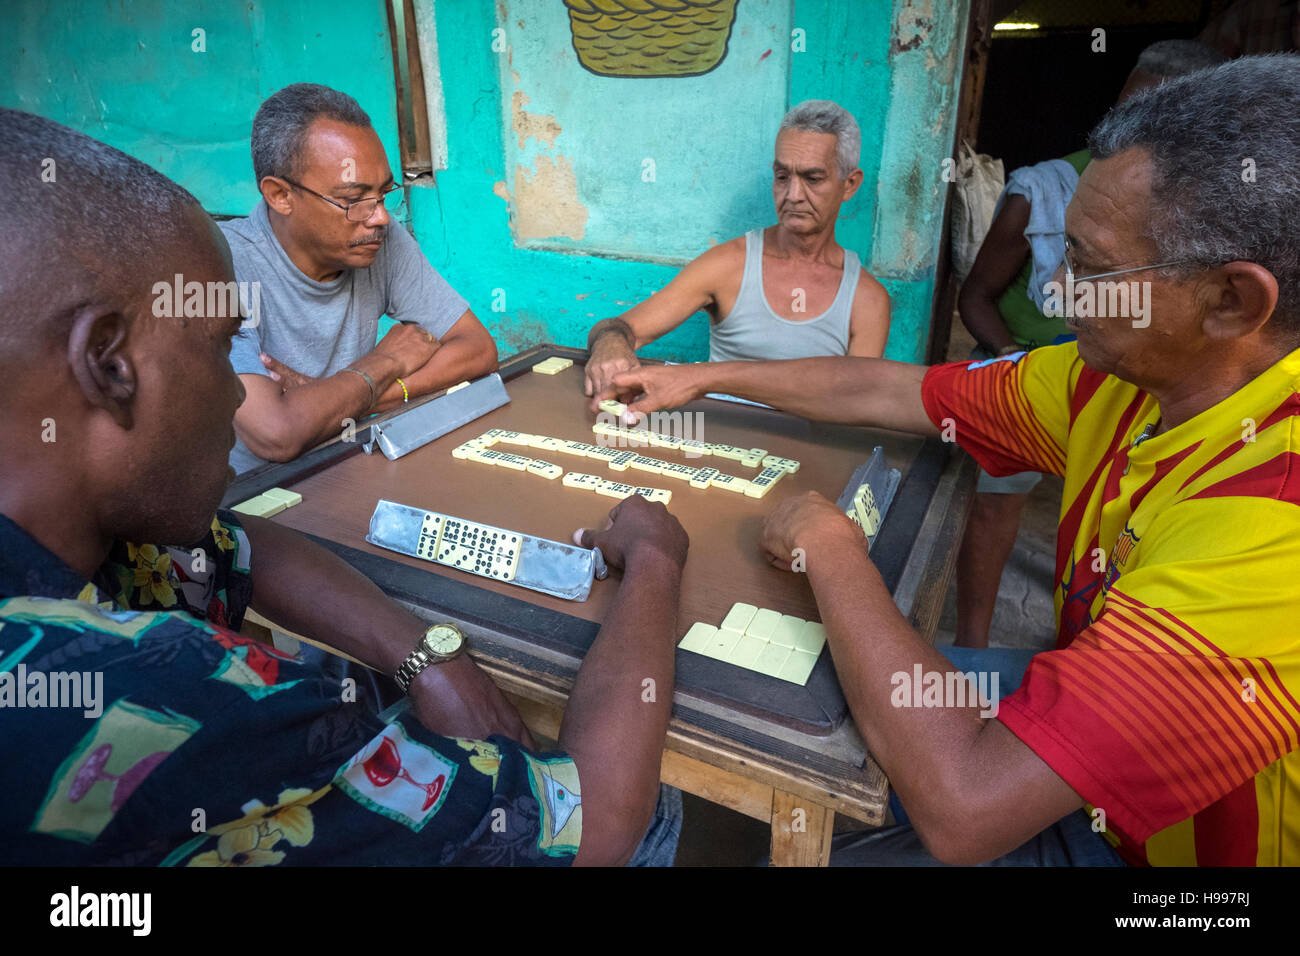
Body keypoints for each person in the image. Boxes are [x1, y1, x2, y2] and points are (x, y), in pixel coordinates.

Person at [608, 55, 1300, 865]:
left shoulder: (1270, 524)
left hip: (1164, 862)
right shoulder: (1117, 381)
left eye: (1094, 270)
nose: (1058, 297)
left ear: (1232, 301)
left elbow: (968, 805)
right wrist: (699, 375)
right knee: (805, 687)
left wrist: (829, 545)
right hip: (1088, 709)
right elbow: (896, 394)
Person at [0, 107, 686, 867]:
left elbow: (235, 543)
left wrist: (429, 654)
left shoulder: (97, 540)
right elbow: (588, 824)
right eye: (222, 348)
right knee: (657, 815)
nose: (235, 394)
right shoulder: (186, 699)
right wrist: (654, 557)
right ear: (108, 364)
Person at [953, 39, 1226, 648]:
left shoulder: (1213, 232)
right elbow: (973, 300)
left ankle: (1080, 653)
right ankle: (971, 648)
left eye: (1088, 262)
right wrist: (1009, 359)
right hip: (1031, 371)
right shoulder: (1045, 190)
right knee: (999, 503)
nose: (1062, 284)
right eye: (1127, 113)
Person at [224, 83, 498, 474]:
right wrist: (385, 361)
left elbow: (477, 349)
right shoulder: (215, 268)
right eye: (354, 200)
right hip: (246, 502)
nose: (380, 217)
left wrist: (341, 396)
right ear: (280, 195)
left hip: (343, 463)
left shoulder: (377, 239)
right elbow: (276, 434)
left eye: (384, 194)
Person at [584, 99, 891, 410]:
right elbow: (618, 328)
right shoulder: (728, 265)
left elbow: (855, 401)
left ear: (849, 185)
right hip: (717, 448)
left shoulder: (866, 299)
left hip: (807, 454)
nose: (793, 195)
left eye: (813, 179)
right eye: (782, 177)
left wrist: (701, 377)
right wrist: (611, 344)